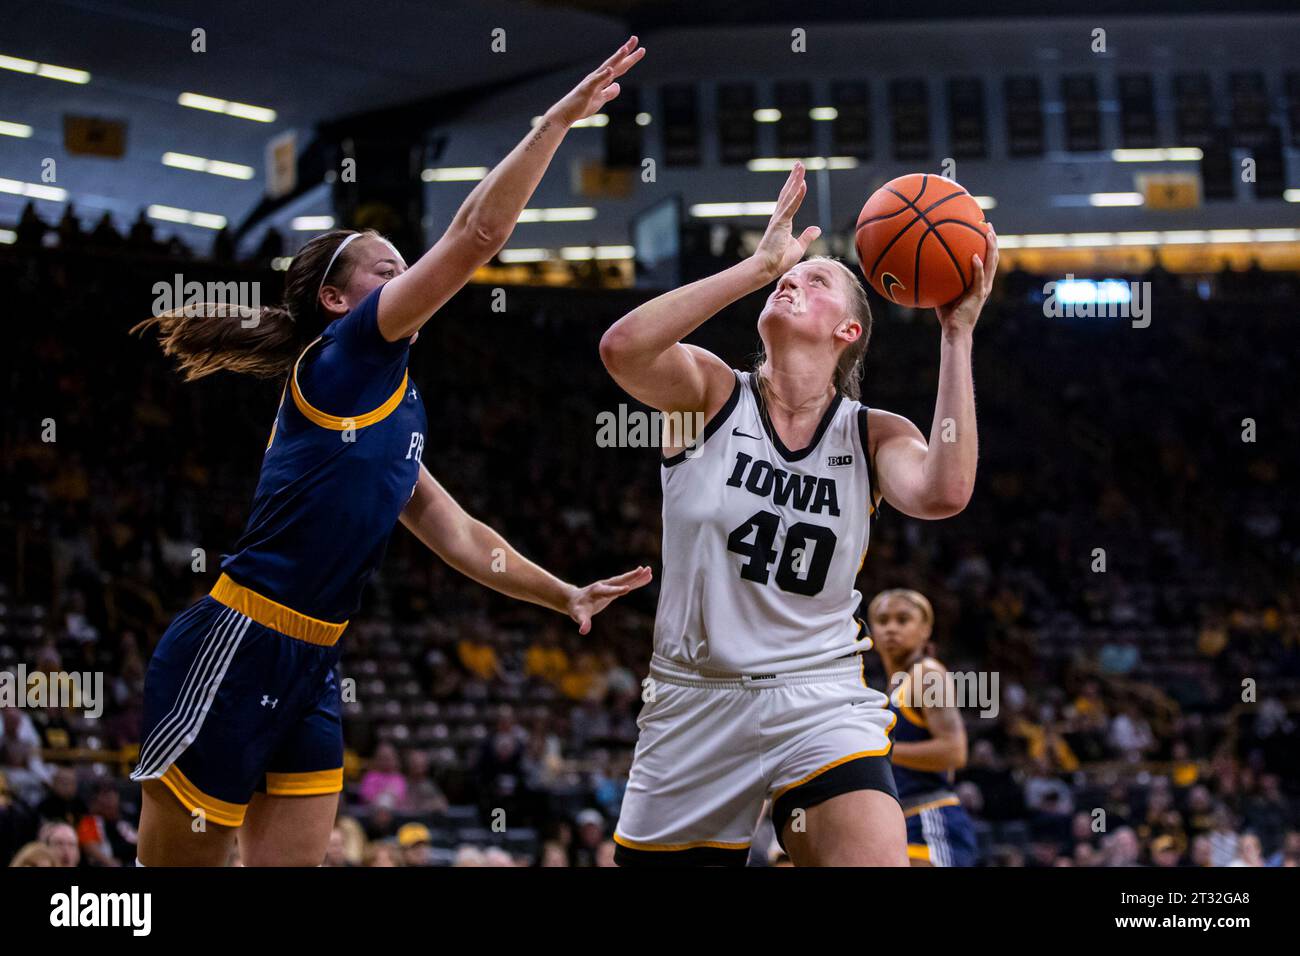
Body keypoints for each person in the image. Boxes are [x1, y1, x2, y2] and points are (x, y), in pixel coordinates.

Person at [126, 37, 648, 866]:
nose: (406, 275)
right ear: (338, 300)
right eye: (387, 268)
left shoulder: (395, 402)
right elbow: (477, 232)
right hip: (237, 638)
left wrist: (564, 595)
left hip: (315, 660)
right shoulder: (341, 359)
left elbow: (460, 532)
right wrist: (555, 121)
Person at [599, 162, 997, 865]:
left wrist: (957, 335)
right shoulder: (709, 393)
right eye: (790, 276)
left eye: (817, 280)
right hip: (694, 699)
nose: (795, 279)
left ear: (848, 330)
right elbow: (623, 349)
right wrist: (755, 268)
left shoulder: (873, 434)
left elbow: (944, 492)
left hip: (818, 695)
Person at [870, 589, 980, 866]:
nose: (891, 628)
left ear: (925, 630)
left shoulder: (926, 674)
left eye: (903, 619)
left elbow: (954, 750)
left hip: (930, 816)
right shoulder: (891, 688)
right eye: (882, 621)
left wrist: (878, 751)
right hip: (899, 823)